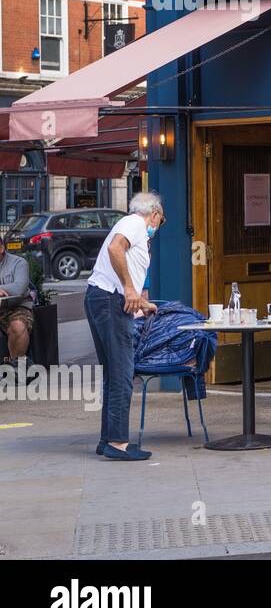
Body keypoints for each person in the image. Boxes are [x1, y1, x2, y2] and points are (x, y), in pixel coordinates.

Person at [84, 192, 164, 461]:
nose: (158, 227)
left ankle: (107, 439)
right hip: (110, 300)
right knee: (122, 372)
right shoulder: (136, 223)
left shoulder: (131, 225)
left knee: (114, 372)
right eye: (161, 221)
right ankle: (117, 442)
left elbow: (121, 259)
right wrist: (130, 290)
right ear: (154, 213)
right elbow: (115, 249)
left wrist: (140, 300)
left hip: (103, 297)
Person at [0, 244, 33, 373]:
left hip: (17, 306)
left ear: (1, 249)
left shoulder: (19, 263)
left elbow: (19, 287)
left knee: (18, 326)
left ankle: (16, 368)